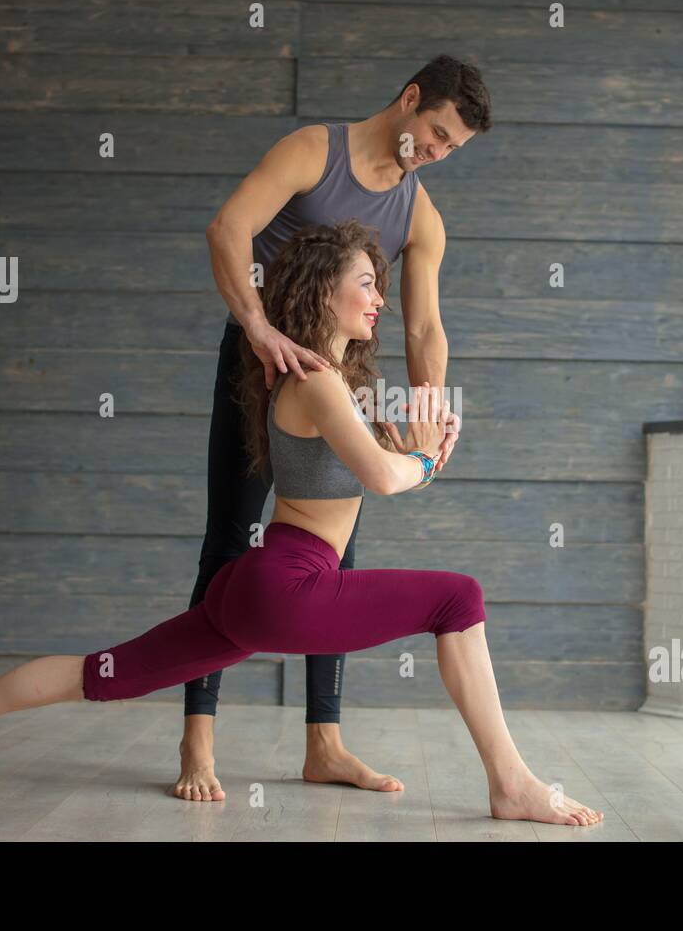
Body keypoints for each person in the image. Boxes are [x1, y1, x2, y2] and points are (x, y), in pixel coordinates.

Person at [0, 222, 603, 827]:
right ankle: (510, 783)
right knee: (460, 598)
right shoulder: (320, 384)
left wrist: (425, 448)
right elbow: (389, 480)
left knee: (105, 671)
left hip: (252, 590)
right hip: (286, 587)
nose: (381, 299)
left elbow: (390, 465)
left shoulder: (328, 383)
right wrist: (418, 460)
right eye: (366, 282)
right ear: (324, 289)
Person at [184, 53, 492, 800]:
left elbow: (424, 330)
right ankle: (198, 743)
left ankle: (324, 742)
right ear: (410, 98)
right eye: (437, 133)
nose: (438, 154)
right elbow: (228, 230)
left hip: (336, 381)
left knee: (337, 553)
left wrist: (429, 415)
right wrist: (258, 329)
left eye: (454, 149)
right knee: (230, 536)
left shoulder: (420, 216)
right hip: (258, 367)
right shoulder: (312, 152)